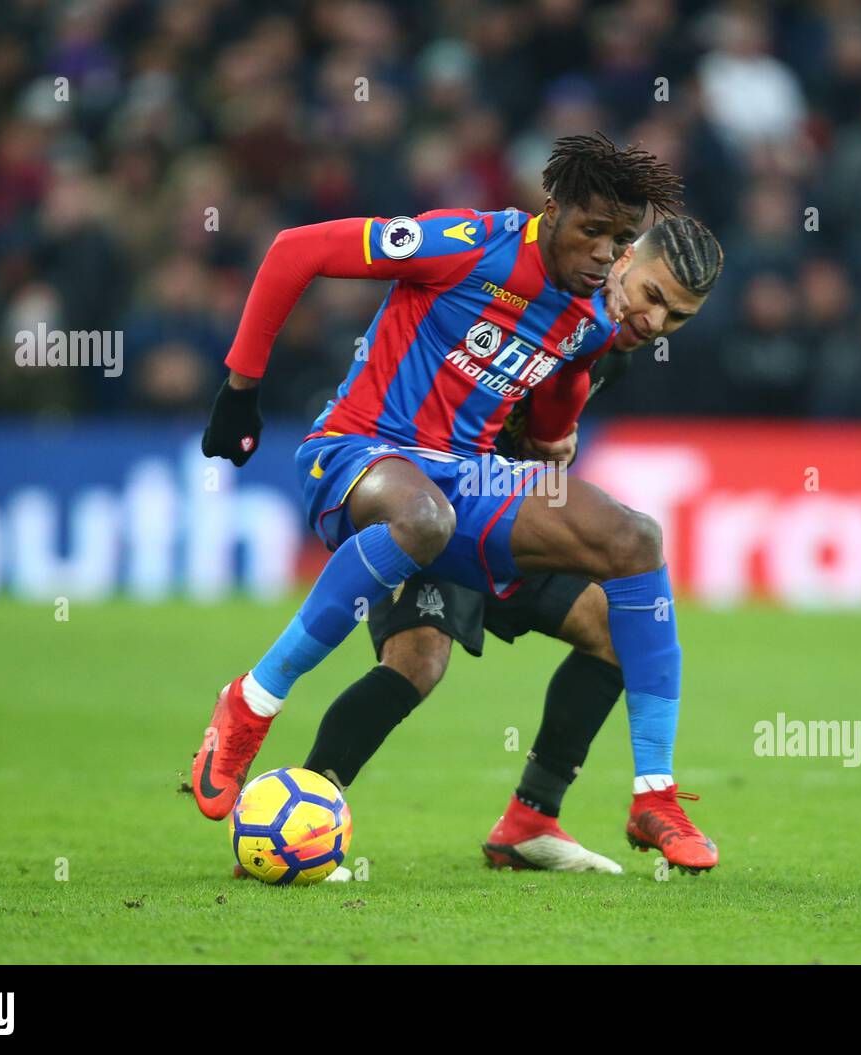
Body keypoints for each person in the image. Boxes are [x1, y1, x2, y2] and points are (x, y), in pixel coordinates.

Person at [193, 133, 722, 871]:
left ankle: (637, 797)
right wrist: (240, 388)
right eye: (595, 233)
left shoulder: (592, 321)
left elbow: (567, 376)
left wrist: (555, 437)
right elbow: (294, 251)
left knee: (634, 543)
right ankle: (253, 703)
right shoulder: (468, 244)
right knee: (420, 625)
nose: (605, 255)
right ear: (552, 210)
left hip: (473, 483)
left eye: (618, 240)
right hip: (361, 453)